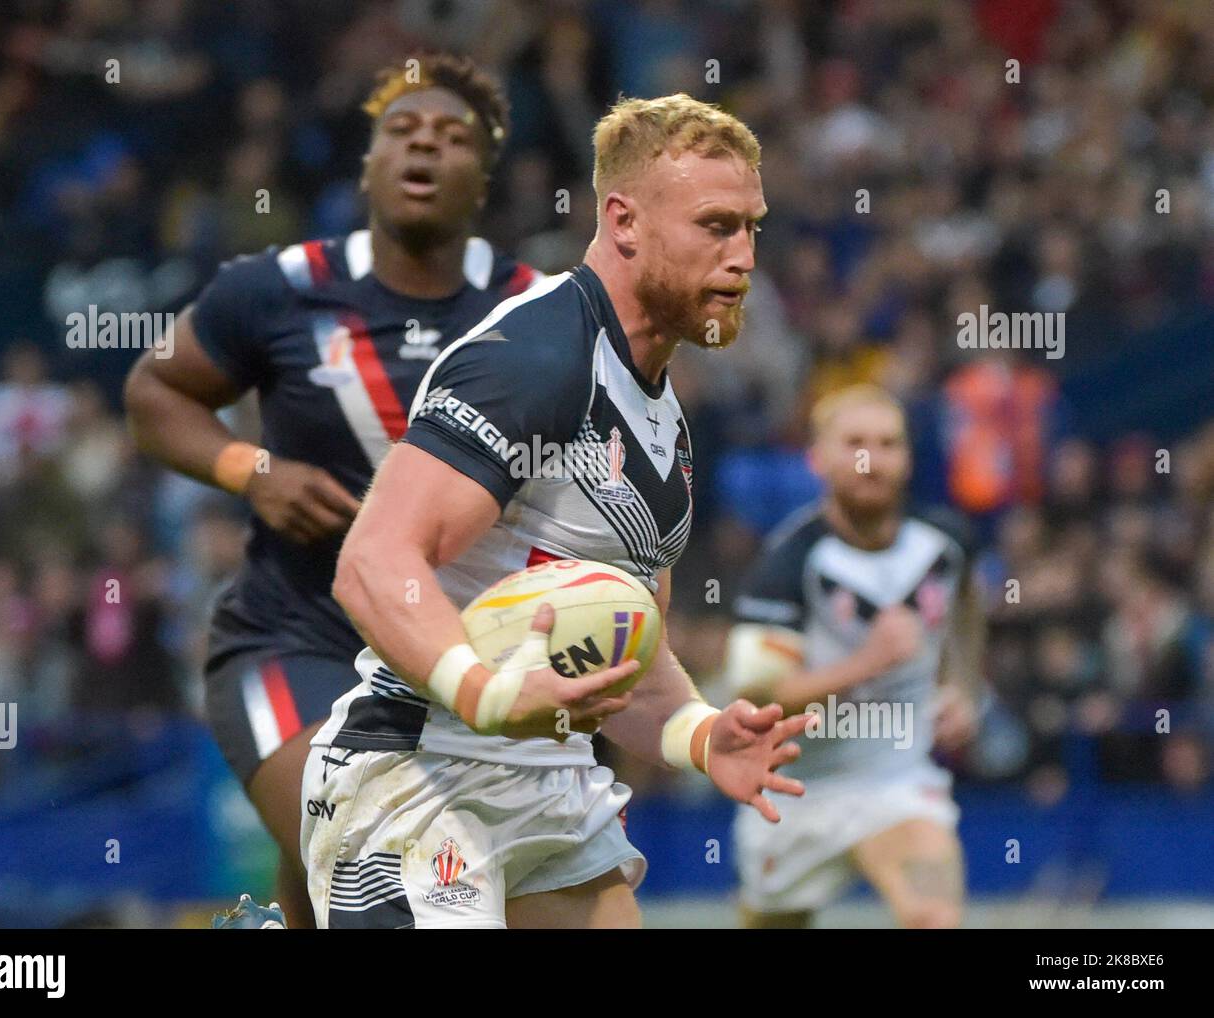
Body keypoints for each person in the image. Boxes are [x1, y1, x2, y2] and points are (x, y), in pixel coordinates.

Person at [301, 93, 812, 930]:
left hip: (553, 782)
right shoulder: (536, 358)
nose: (744, 257)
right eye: (716, 227)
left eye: (752, 228)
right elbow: (372, 562)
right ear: (624, 222)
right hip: (419, 778)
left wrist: (697, 734)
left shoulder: (667, 421)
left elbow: (623, 644)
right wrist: (486, 695)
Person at [124, 54, 537, 928]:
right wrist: (251, 469)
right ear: (368, 164)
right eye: (402, 130)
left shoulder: (539, 314)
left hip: (462, 668)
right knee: (389, 890)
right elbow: (154, 392)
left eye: (452, 136)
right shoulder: (278, 287)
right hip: (295, 643)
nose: (423, 145)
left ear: (484, 176)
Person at [723, 384, 983, 928]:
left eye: (888, 444)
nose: (872, 460)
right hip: (795, 791)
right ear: (817, 458)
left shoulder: (946, 541)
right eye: (855, 443)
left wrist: (962, 686)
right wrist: (868, 662)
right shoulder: (784, 564)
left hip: (898, 781)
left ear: (909, 458)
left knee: (934, 917)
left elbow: (966, 605)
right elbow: (758, 700)